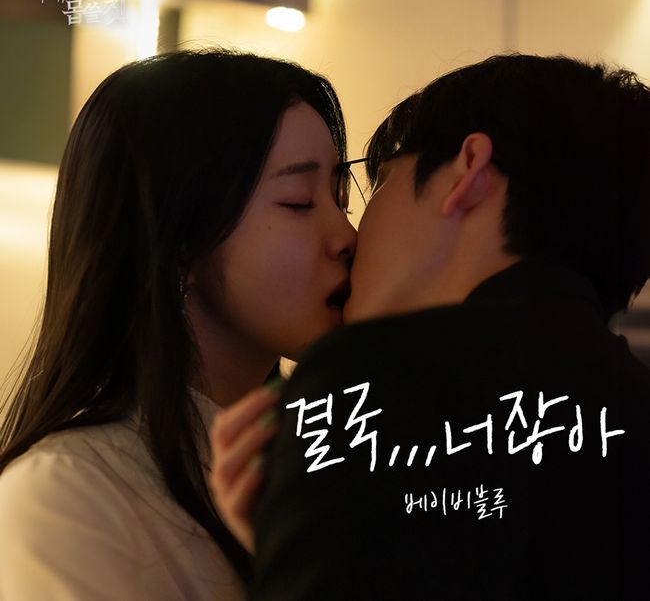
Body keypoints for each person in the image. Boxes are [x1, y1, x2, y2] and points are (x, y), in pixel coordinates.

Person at [212, 54, 650, 599]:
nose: (349, 237)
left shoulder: (371, 379)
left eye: (380, 182)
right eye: (303, 202)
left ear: (468, 172)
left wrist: (297, 537)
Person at [0, 48, 357, 599]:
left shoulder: (323, 464)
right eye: (299, 202)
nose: (346, 238)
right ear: (179, 242)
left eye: (340, 199)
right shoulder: (70, 493)